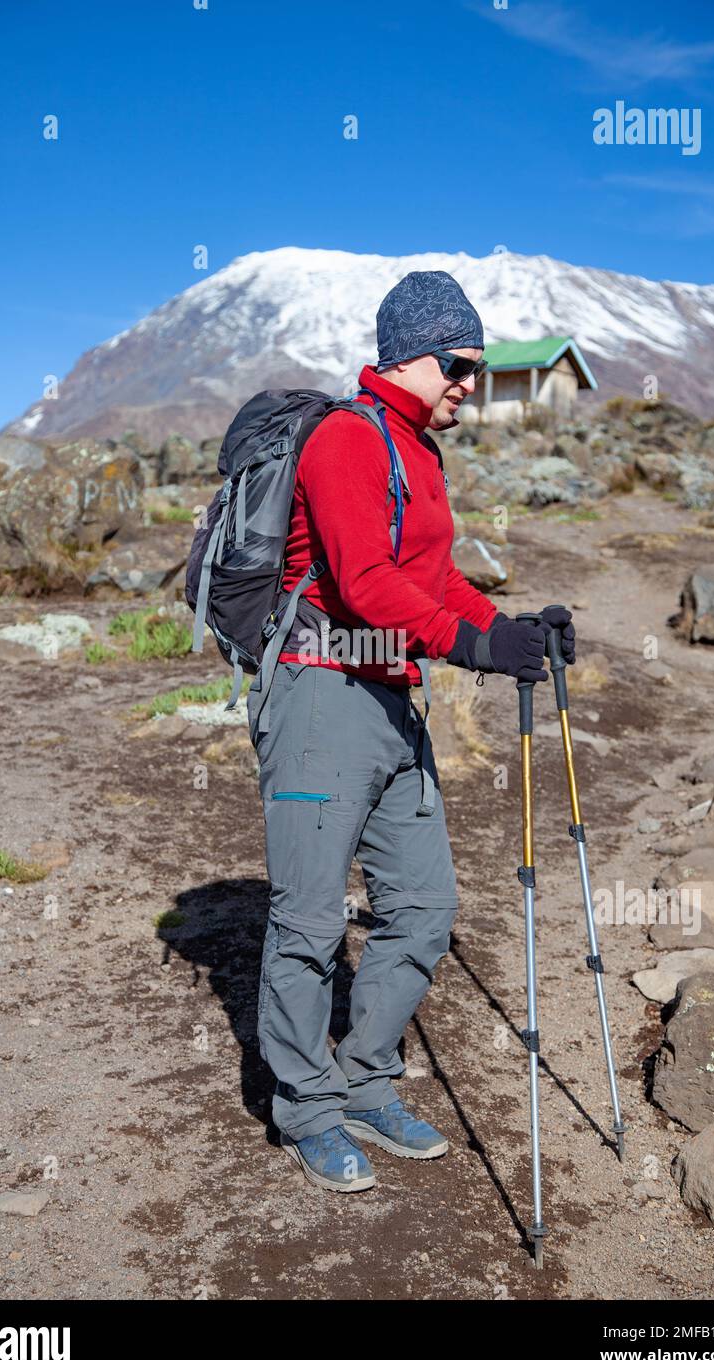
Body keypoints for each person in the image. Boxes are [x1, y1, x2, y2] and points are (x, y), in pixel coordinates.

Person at [246, 270, 575, 1192]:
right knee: (309, 922)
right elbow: (364, 589)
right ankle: (307, 1108)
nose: (472, 379)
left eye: (477, 362)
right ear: (407, 356)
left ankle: (364, 1081)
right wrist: (475, 645)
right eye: (459, 362)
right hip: (320, 697)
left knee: (425, 907)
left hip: (393, 703)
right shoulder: (349, 442)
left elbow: (429, 583)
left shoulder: (417, 449)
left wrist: (513, 627)